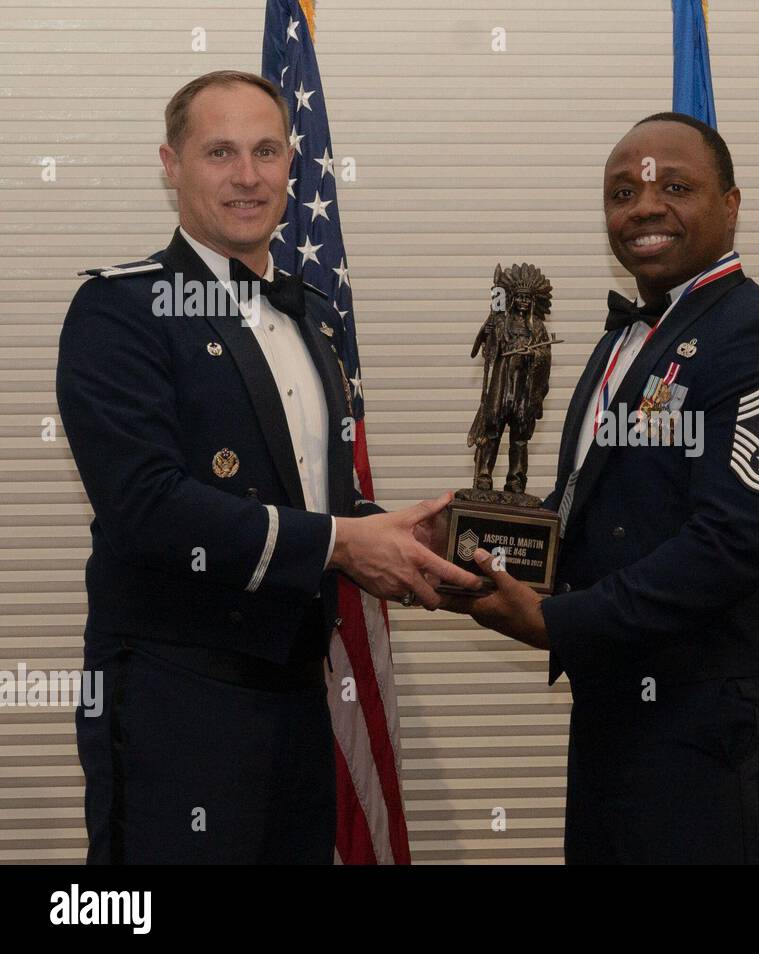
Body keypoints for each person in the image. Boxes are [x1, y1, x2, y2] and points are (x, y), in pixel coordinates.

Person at [56, 70, 477, 864]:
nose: (247, 176)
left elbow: (318, 500)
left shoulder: (312, 314)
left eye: (266, 151)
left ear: (292, 166)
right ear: (170, 165)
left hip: (299, 698)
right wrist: (344, 545)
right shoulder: (121, 309)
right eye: (220, 152)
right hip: (175, 705)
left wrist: (411, 544)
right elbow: (146, 508)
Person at [443, 113, 759, 863]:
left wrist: (559, 624)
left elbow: (728, 545)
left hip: (711, 730)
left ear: (732, 204)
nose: (644, 207)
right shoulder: (623, 338)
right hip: (620, 714)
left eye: (674, 187)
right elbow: (588, 508)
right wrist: (463, 548)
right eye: (622, 192)